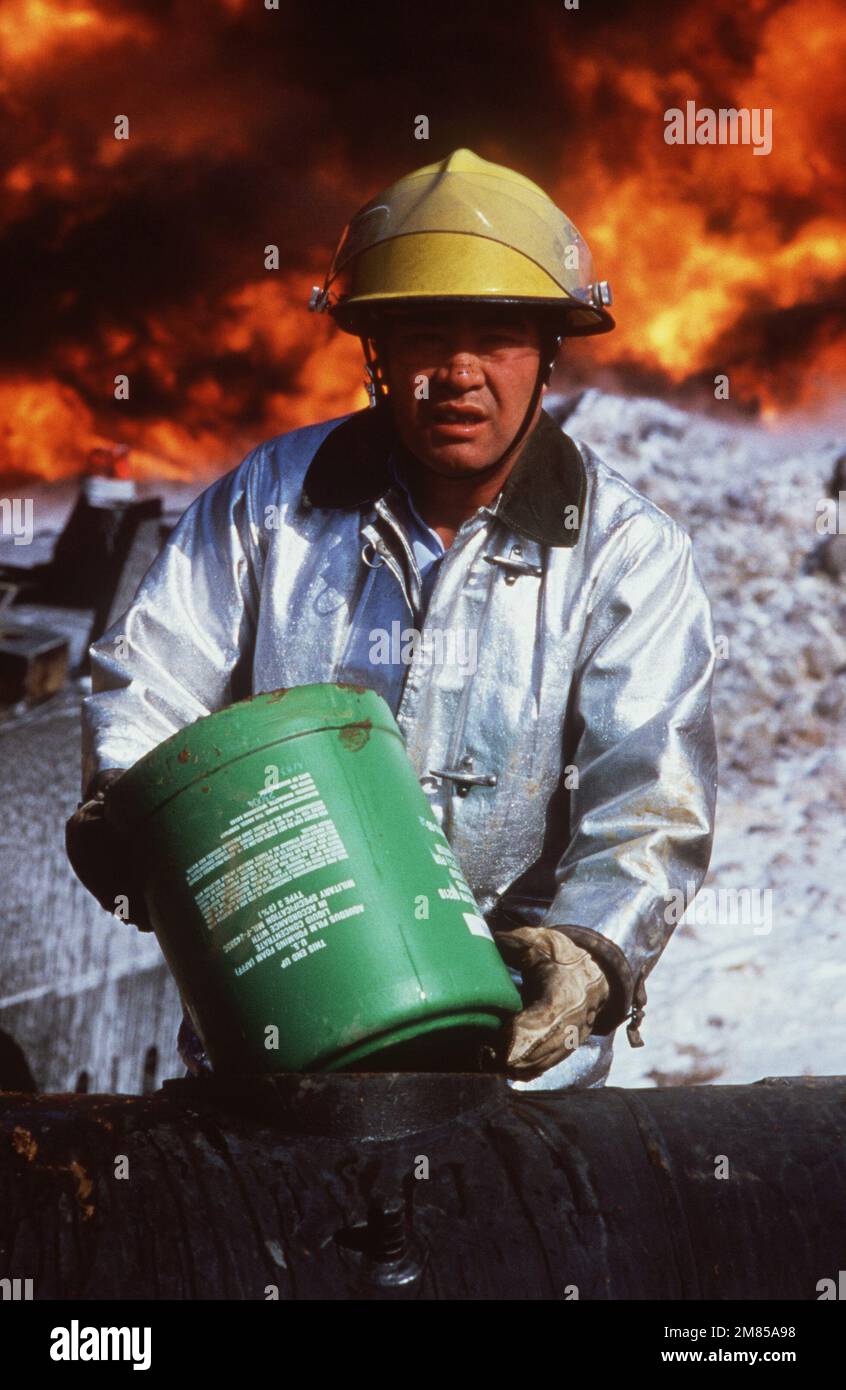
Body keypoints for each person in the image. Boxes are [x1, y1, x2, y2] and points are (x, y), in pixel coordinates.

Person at [66, 149, 718, 1090]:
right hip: (273, 1048)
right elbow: (150, 677)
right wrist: (135, 813)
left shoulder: (625, 555)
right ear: (373, 347)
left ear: (548, 352)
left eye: (495, 336)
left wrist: (590, 955)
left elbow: (648, 801)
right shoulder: (268, 504)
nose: (457, 373)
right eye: (422, 334)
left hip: (514, 1085)